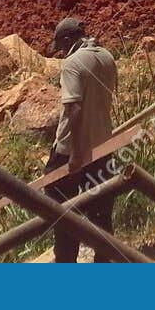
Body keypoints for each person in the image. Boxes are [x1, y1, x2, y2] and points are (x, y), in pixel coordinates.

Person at [44, 16, 119, 262]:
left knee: (60, 208)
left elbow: (74, 109)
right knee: (101, 209)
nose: (61, 52)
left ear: (68, 40)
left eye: (61, 46)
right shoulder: (107, 56)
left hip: (71, 150)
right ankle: (104, 261)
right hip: (103, 144)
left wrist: (75, 154)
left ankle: (66, 261)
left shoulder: (72, 64)